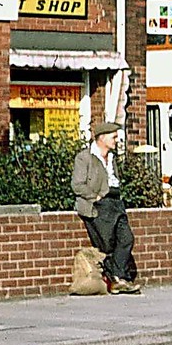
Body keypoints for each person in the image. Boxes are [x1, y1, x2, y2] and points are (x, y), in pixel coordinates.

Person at [70, 121, 141, 294]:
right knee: (107, 244)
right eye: (114, 137)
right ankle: (118, 279)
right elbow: (77, 184)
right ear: (102, 138)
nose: (116, 140)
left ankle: (117, 277)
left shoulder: (112, 158)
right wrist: (95, 197)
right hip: (99, 205)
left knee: (127, 238)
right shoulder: (85, 157)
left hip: (116, 202)